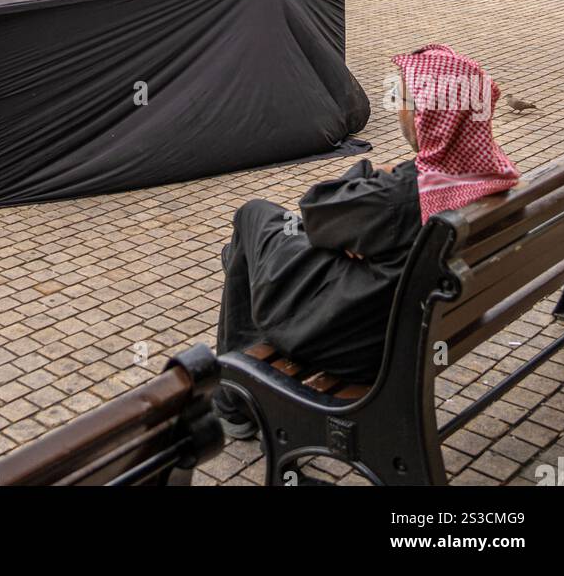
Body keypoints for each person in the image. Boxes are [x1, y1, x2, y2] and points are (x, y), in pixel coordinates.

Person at [214, 44, 519, 437]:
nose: (399, 110)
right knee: (254, 246)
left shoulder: (402, 196)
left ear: (432, 115)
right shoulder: (491, 178)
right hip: (408, 331)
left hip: (349, 342)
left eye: (405, 99)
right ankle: (241, 281)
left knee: (253, 215)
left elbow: (316, 211)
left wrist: (367, 178)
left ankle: (234, 403)